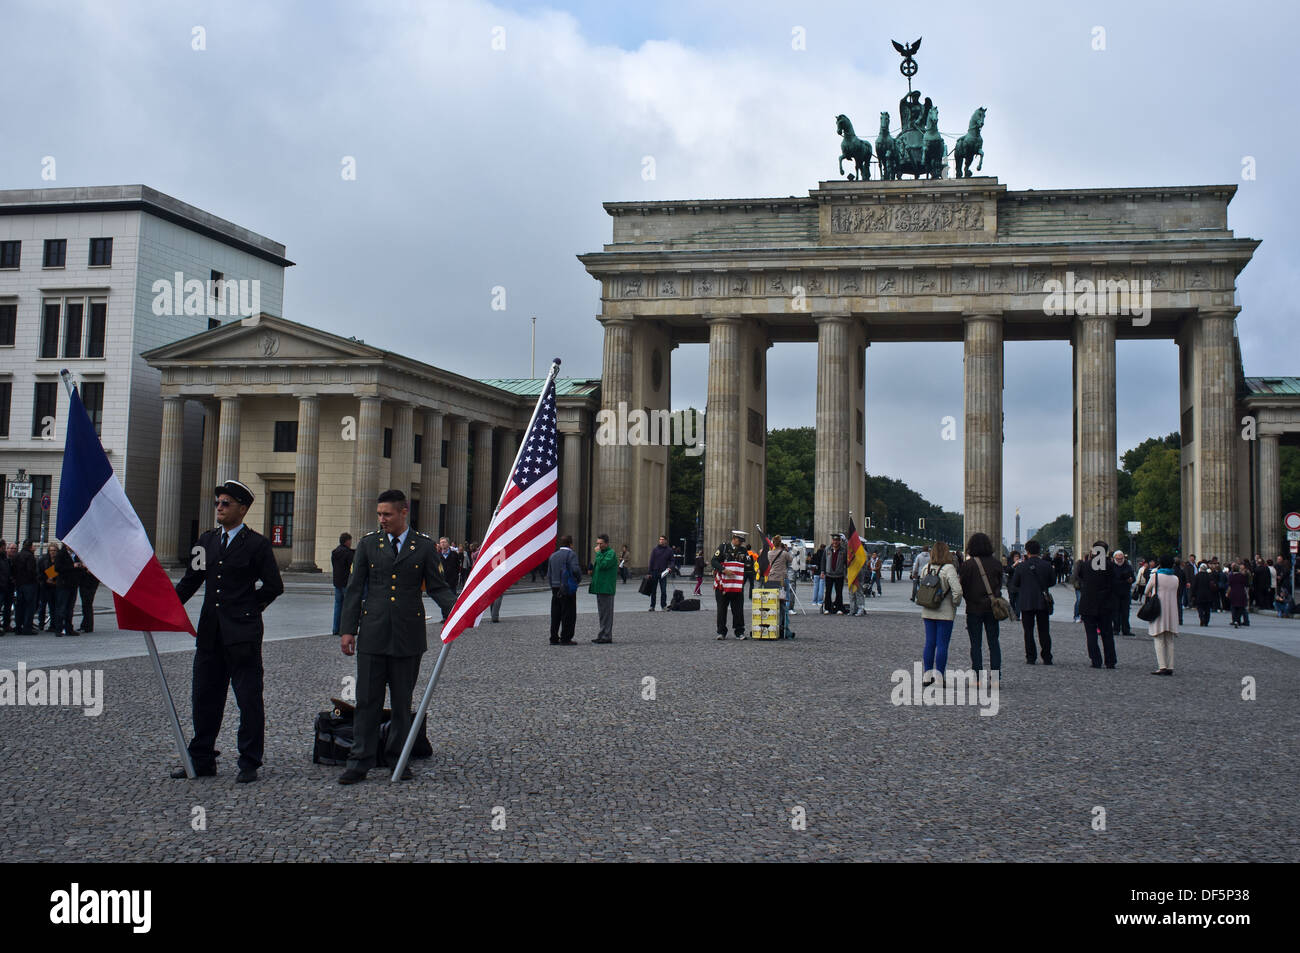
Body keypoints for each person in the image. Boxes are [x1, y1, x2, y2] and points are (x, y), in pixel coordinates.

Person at [337, 489, 455, 784]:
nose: (382, 520)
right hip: (373, 634)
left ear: (404, 513)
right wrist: (348, 629)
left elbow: (438, 586)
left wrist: (456, 611)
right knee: (367, 700)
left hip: (407, 635)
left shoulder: (424, 546)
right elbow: (354, 589)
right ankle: (360, 760)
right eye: (379, 514)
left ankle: (396, 758)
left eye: (387, 514)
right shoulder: (368, 544)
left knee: (402, 702)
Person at [173, 480, 284, 783]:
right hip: (210, 633)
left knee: (248, 698)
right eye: (217, 503)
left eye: (226, 503)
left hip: (243, 635)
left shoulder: (257, 544)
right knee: (204, 697)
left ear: (242, 509)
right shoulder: (205, 541)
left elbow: (274, 586)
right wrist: (164, 607)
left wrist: (249, 608)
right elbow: (190, 581)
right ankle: (202, 758)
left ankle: (249, 760)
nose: (219, 508)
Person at [958, 532, 1002, 681]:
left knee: (975, 644)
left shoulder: (967, 565)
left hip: (974, 609)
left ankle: (977, 677)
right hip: (992, 608)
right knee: (994, 643)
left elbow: (962, 587)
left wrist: (970, 599)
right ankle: (996, 677)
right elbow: (999, 585)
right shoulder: (996, 564)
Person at [918, 541, 963, 686]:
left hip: (928, 610)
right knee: (942, 644)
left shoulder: (926, 567)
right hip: (944, 612)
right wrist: (954, 603)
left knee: (929, 643)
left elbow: (922, 586)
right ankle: (939, 677)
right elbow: (957, 590)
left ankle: (927, 675)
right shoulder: (949, 568)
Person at [1012, 540, 1055, 665]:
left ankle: (1031, 657)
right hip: (1042, 601)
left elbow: (1015, 583)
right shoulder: (1047, 565)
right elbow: (1052, 582)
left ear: (1027, 551)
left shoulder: (1021, 566)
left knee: (1028, 631)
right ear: (1039, 550)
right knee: (1044, 631)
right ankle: (1047, 657)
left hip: (1026, 602)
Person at [1078, 542, 1119, 669]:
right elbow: (1114, 584)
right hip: (1105, 604)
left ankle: (1096, 660)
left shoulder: (1085, 566)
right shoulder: (1111, 566)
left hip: (1088, 604)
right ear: (1106, 551)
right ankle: (1110, 661)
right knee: (1107, 634)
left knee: (1091, 634)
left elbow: (1080, 579)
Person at [711, 530, 753, 640]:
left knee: (738, 609)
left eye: (742, 541)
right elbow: (713, 561)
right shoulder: (723, 547)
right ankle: (721, 632)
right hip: (723, 585)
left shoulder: (743, 551)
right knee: (721, 609)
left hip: (736, 585)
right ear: (734, 539)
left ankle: (739, 632)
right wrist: (723, 570)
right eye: (739, 540)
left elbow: (748, 565)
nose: (741, 543)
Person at [1144, 555, 1180, 675]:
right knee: (1169, 640)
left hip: (1158, 610)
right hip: (1172, 611)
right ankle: (1170, 666)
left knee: (1158, 638)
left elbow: (1146, 590)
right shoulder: (1175, 578)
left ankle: (1162, 666)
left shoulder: (1156, 576)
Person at [547, 535, 581, 645]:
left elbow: (549, 574)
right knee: (568, 614)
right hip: (567, 588)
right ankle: (566, 638)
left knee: (555, 614)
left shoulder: (553, 556)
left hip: (555, 588)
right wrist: (577, 581)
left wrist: (552, 585)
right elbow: (575, 570)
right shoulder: (571, 555)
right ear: (570, 544)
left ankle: (553, 637)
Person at [589, 534, 617, 643]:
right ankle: (602, 634)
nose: (598, 546)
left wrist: (598, 554)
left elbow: (604, 565)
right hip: (600, 587)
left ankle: (606, 636)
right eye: (597, 543)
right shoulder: (603, 553)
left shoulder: (610, 553)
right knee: (602, 613)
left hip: (606, 588)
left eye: (601, 543)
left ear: (606, 543)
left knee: (607, 613)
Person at [767, 535, 795, 639]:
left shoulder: (769, 553)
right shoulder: (784, 554)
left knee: (773, 603)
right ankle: (784, 628)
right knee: (783, 605)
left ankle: (772, 626)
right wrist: (787, 550)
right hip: (782, 581)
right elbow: (791, 559)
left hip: (771, 579)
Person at [52, 542, 81, 638]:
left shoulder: (75, 555)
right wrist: (72, 566)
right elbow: (57, 568)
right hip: (64, 584)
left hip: (73, 584)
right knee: (62, 607)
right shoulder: (61, 554)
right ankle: (58, 628)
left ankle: (69, 628)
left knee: (70, 608)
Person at [12, 540, 38, 635]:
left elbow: (13, 569)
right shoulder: (30, 556)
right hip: (29, 584)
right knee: (29, 606)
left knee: (19, 606)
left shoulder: (16, 556)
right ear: (30, 547)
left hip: (19, 583)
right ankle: (27, 627)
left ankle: (18, 626)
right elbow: (31, 570)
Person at [330, 532, 354, 635]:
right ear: (347, 541)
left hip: (337, 582)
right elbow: (352, 566)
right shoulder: (348, 553)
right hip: (346, 582)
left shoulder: (335, 552)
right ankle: (344, 629)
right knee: (347, 606)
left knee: (338, 605)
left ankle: (336, 628)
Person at [821, 534, 848, 615]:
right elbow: (823, 561)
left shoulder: (843, 550)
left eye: (837, 540)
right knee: (828, 592)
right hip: (829, 574)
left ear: (839, 541)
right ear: (832, 541)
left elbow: (846, 563)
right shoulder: (827, 549)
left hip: (839, 574)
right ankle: (827, 608)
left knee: (839, 592)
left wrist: (846, 574)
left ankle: (839, 608)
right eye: (834, 540)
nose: (835, 542)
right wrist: (822, 572)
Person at [1112, 550, 1136, 637]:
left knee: (1125, 612)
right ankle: (1116, 629)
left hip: (1125, 592)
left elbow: (1133, 578)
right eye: (1118, 559)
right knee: (1115, 611)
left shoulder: (1128, 566)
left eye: (1121, 558)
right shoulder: (1111, 566)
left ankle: (1126, 629)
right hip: (1114, 592)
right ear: (1114, 558)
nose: (1119, 560)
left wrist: (1131, 580)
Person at [646, 535, 674, 610]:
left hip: (663, 572)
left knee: (663, 590)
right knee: (653, 590)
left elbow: (672, 561)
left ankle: (663, 606)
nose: (661, 541)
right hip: (654, 572)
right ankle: (652, 606)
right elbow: (651, 561)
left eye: (662, 539)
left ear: (666, 541)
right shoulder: (655, 550)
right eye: (660, 539)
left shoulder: (669, 550)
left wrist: (670, 567)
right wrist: (649, 573)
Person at [36, 542, 59, 631]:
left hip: (55, 586)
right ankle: (41, 623)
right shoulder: (43, 560)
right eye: (51, 550)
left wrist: (55, 580)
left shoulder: (58, 560)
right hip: (44, 586)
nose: (52, 552)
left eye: (54, 550)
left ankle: (53, 624)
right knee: (42, 605)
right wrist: (46, 579)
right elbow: (39, 572)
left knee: (53, 606)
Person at [437, 538, 460, 620]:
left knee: (452, 599)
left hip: (452, 581)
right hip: (442, 581)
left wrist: (456, 578)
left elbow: (458, 568)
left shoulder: (454, 555)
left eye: (444, 542)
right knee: (443, 600)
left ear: (448, 543)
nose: (442, 544)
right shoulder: (437, 555)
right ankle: (444, 617)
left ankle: (452, 617)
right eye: (441, 542)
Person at [76, 555, 98, 633]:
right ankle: (86, 625)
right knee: (86, 605)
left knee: (87, 604)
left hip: (89, 583)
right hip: (82, 582)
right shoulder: (74, 556)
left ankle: (87, 626)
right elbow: (59, 567)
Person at [1228, 562, 1250, 628]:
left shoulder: (1231, 576)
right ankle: (1238, 620)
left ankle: (1235, 620)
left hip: (1233, 592)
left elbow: (1229, 585)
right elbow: (1246, 584)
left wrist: (1227, 593)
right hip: (1241, 592)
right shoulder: (1242, 576)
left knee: (1233, 607)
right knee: (1241, 607)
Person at [0, 540, 12, 634]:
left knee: (7, 607)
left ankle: (5, 625)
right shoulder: (3, 558)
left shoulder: (5, 558)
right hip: (2, 586)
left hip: (6, 586)